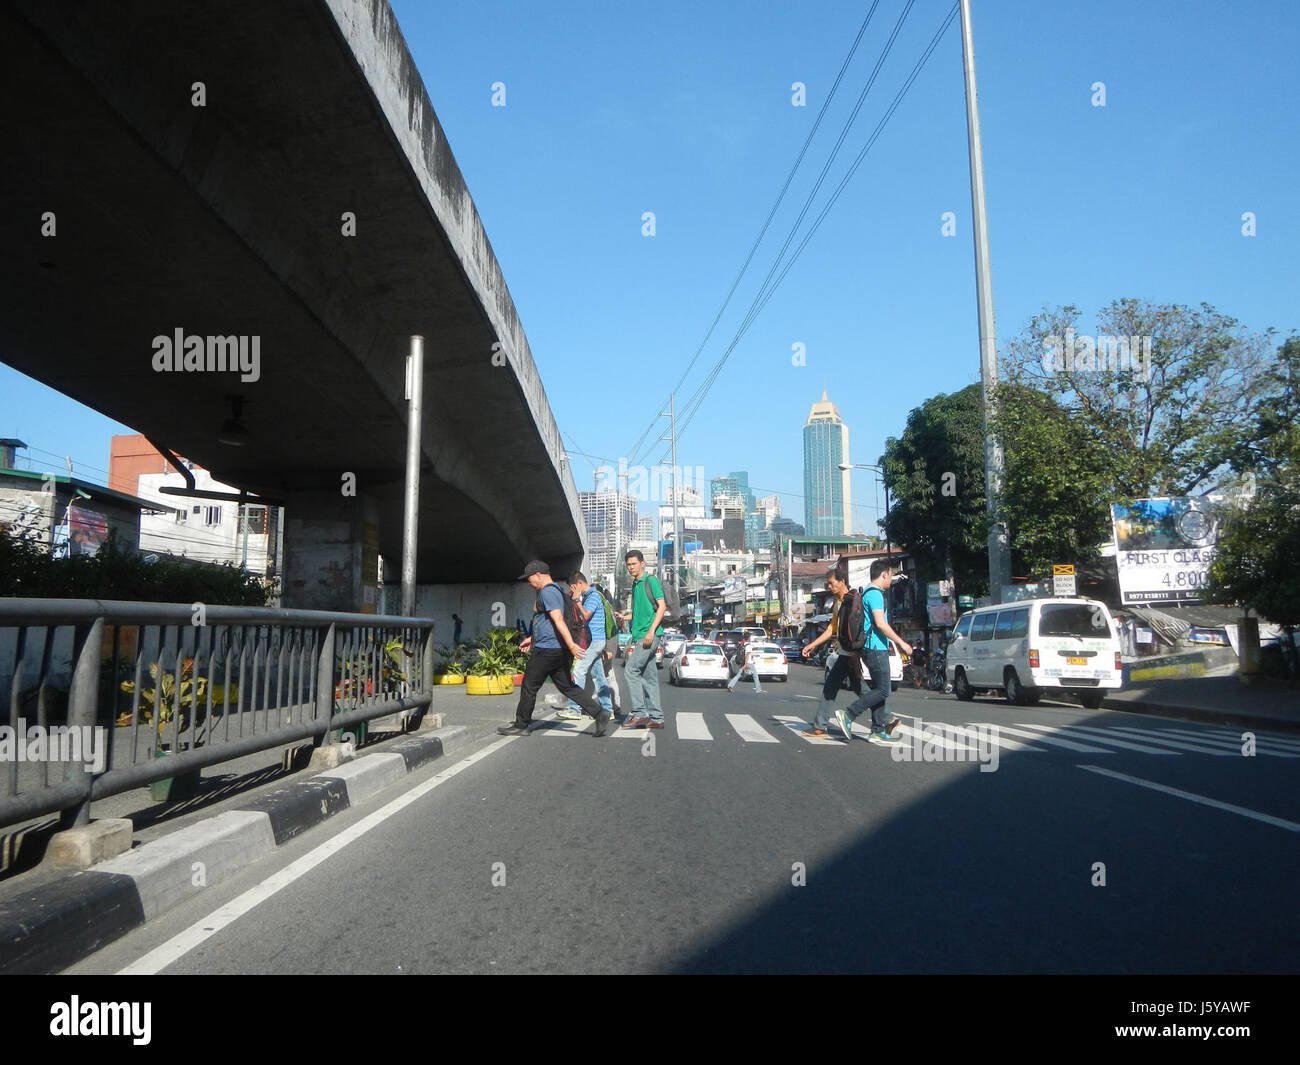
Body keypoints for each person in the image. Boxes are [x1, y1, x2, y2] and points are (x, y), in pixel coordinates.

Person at [497, 561, 610, 737]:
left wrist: (572, 645)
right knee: (567, 686)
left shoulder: (548, 592)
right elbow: (548, 623)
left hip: (548, 650)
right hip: (557, 649)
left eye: (529, 578)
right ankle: (599, 713)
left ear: (538, 575)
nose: (529, 582)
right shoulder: (556, 590)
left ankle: (521, 725)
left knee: (529, 686)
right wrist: (532, 638)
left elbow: (558, 621)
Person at [843, 559, 913, 744]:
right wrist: (901, 643)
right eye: (891, 575)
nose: (891, 579)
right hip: (876, 647)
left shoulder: (867, 592)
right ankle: (848, 714)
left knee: (878, 689)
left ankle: (876, 730)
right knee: (883, 690)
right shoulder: (875, 595)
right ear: (884, 574)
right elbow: (881, 624)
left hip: (870, 647)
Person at [800, 566, 862, 738]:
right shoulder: (837, 602)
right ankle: (885, 719)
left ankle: (820, 726)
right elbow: (831, 629)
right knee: (860, 689)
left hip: (850, 653)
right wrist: (813, 644)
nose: (829, 587)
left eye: (831, 583)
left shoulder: (851, 601)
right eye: (828, 584)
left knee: (832, 687)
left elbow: (856, 630)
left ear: (842, 582)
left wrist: (855, 654)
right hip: (844, 652)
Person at [614, 549, 666, 729]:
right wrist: (627, 617)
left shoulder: (651, 581)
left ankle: (639, 713)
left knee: (630, 670)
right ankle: (657, 717)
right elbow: (642, 611)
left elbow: (661, 607)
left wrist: (651, 631)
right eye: (628, 565)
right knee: (649, 677)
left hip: (649, 635)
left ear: (642, 563)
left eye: (633, 564)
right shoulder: (636, 585)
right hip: (641, 634)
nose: (630, 568)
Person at [556, 572, 615, 721]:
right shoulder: (591, 596)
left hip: (594, 642)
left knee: (578, 671)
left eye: (573, 587)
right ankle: (608, 709)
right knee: (599, 676)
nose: (572, 590)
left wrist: (577, 601)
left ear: (580, 583)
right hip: (594, 641)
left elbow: (586, 615)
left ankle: (575, 709)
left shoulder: (593, 596)